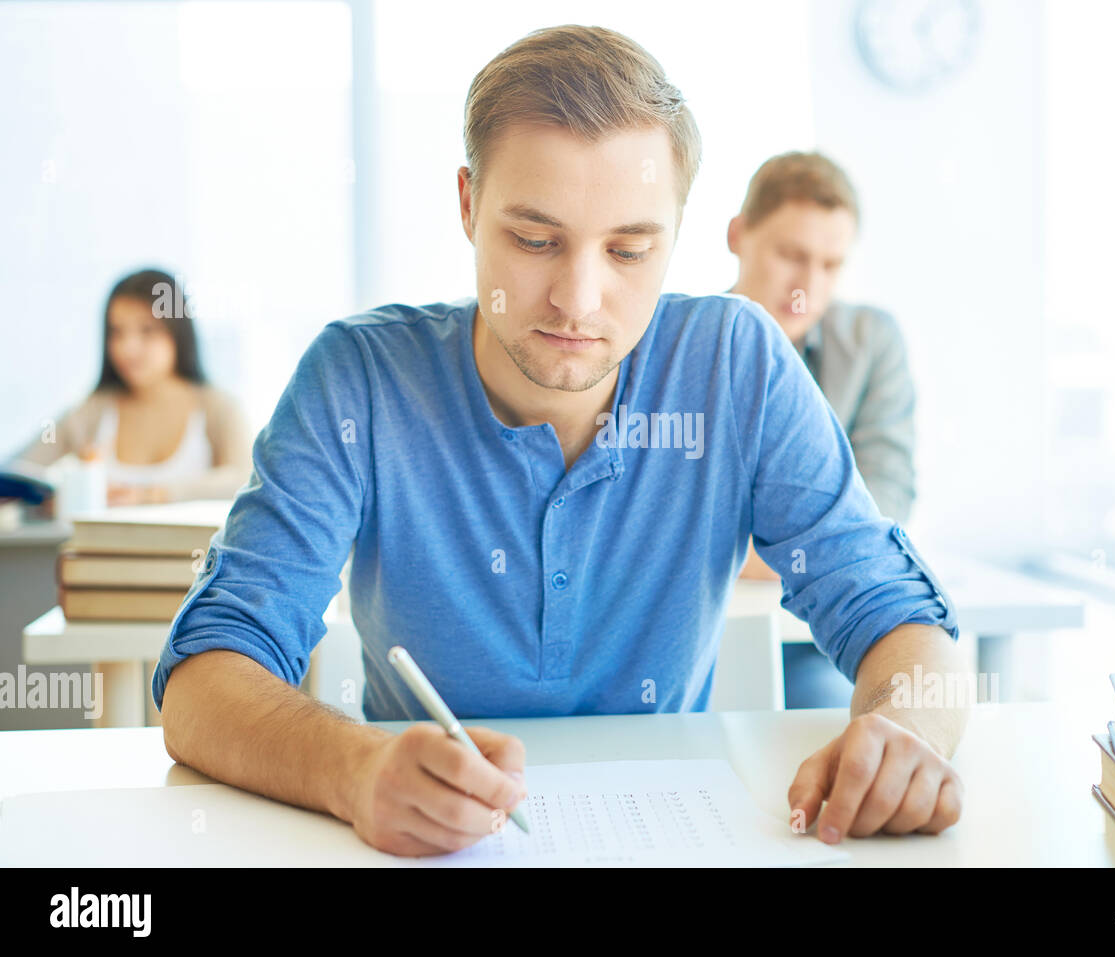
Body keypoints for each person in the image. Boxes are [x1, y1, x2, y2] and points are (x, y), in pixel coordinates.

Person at [154, 25, 969, 859]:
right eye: (535, 240)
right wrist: (353, 768)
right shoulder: (360, 377)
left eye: (629, 249)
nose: (579, 300)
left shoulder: (736, 363)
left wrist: (907, 731)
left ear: (680, 234)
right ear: (468, 204)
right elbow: (203, 680)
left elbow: (903, 622)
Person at [727, 152, 917, 585]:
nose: (807, 288)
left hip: (818, 622)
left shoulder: (870, 342)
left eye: (830, 265)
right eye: (791, 255)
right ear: (737, 235)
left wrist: (722, 554)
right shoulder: (681, 343)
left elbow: (883, 505)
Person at [7, 269, 251, 505]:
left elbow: (244, 480)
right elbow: (17, 473)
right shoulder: (90, 412)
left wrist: (155, 494)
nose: (128, 348)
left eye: (147, 330)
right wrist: (59, 494)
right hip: (95, 548)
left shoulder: (218, 408)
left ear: (178, 332)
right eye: (117, 332)